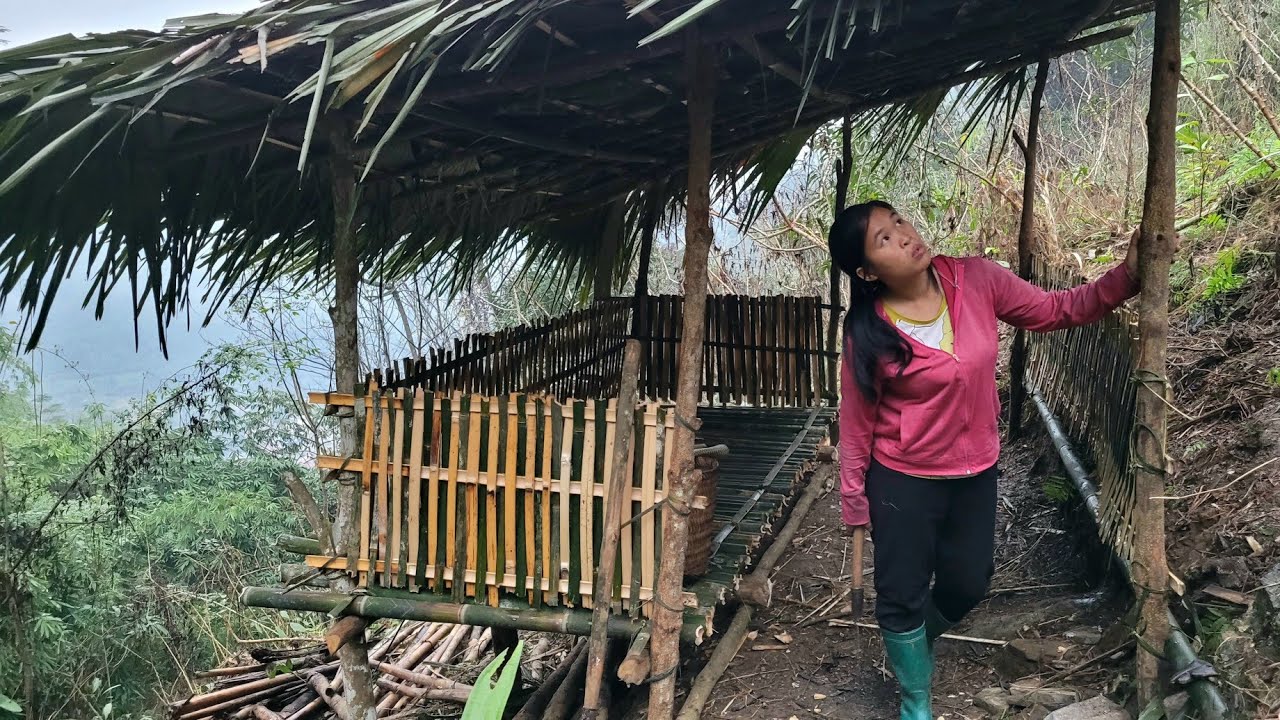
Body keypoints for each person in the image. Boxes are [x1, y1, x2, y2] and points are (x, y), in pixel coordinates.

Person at [827, 200, 1142, 720]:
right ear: (866, 271)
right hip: (902, 477)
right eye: (884, 239)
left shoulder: (976, 279)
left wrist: (1126, 277)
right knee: (901, 589)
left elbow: (1056, 308)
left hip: (974, 470)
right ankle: (915, 700)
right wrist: (854, 499)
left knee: (969, 582)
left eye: (900, 221)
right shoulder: (868, 330)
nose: (905, 236)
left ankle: (916, 645)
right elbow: (856, 421)